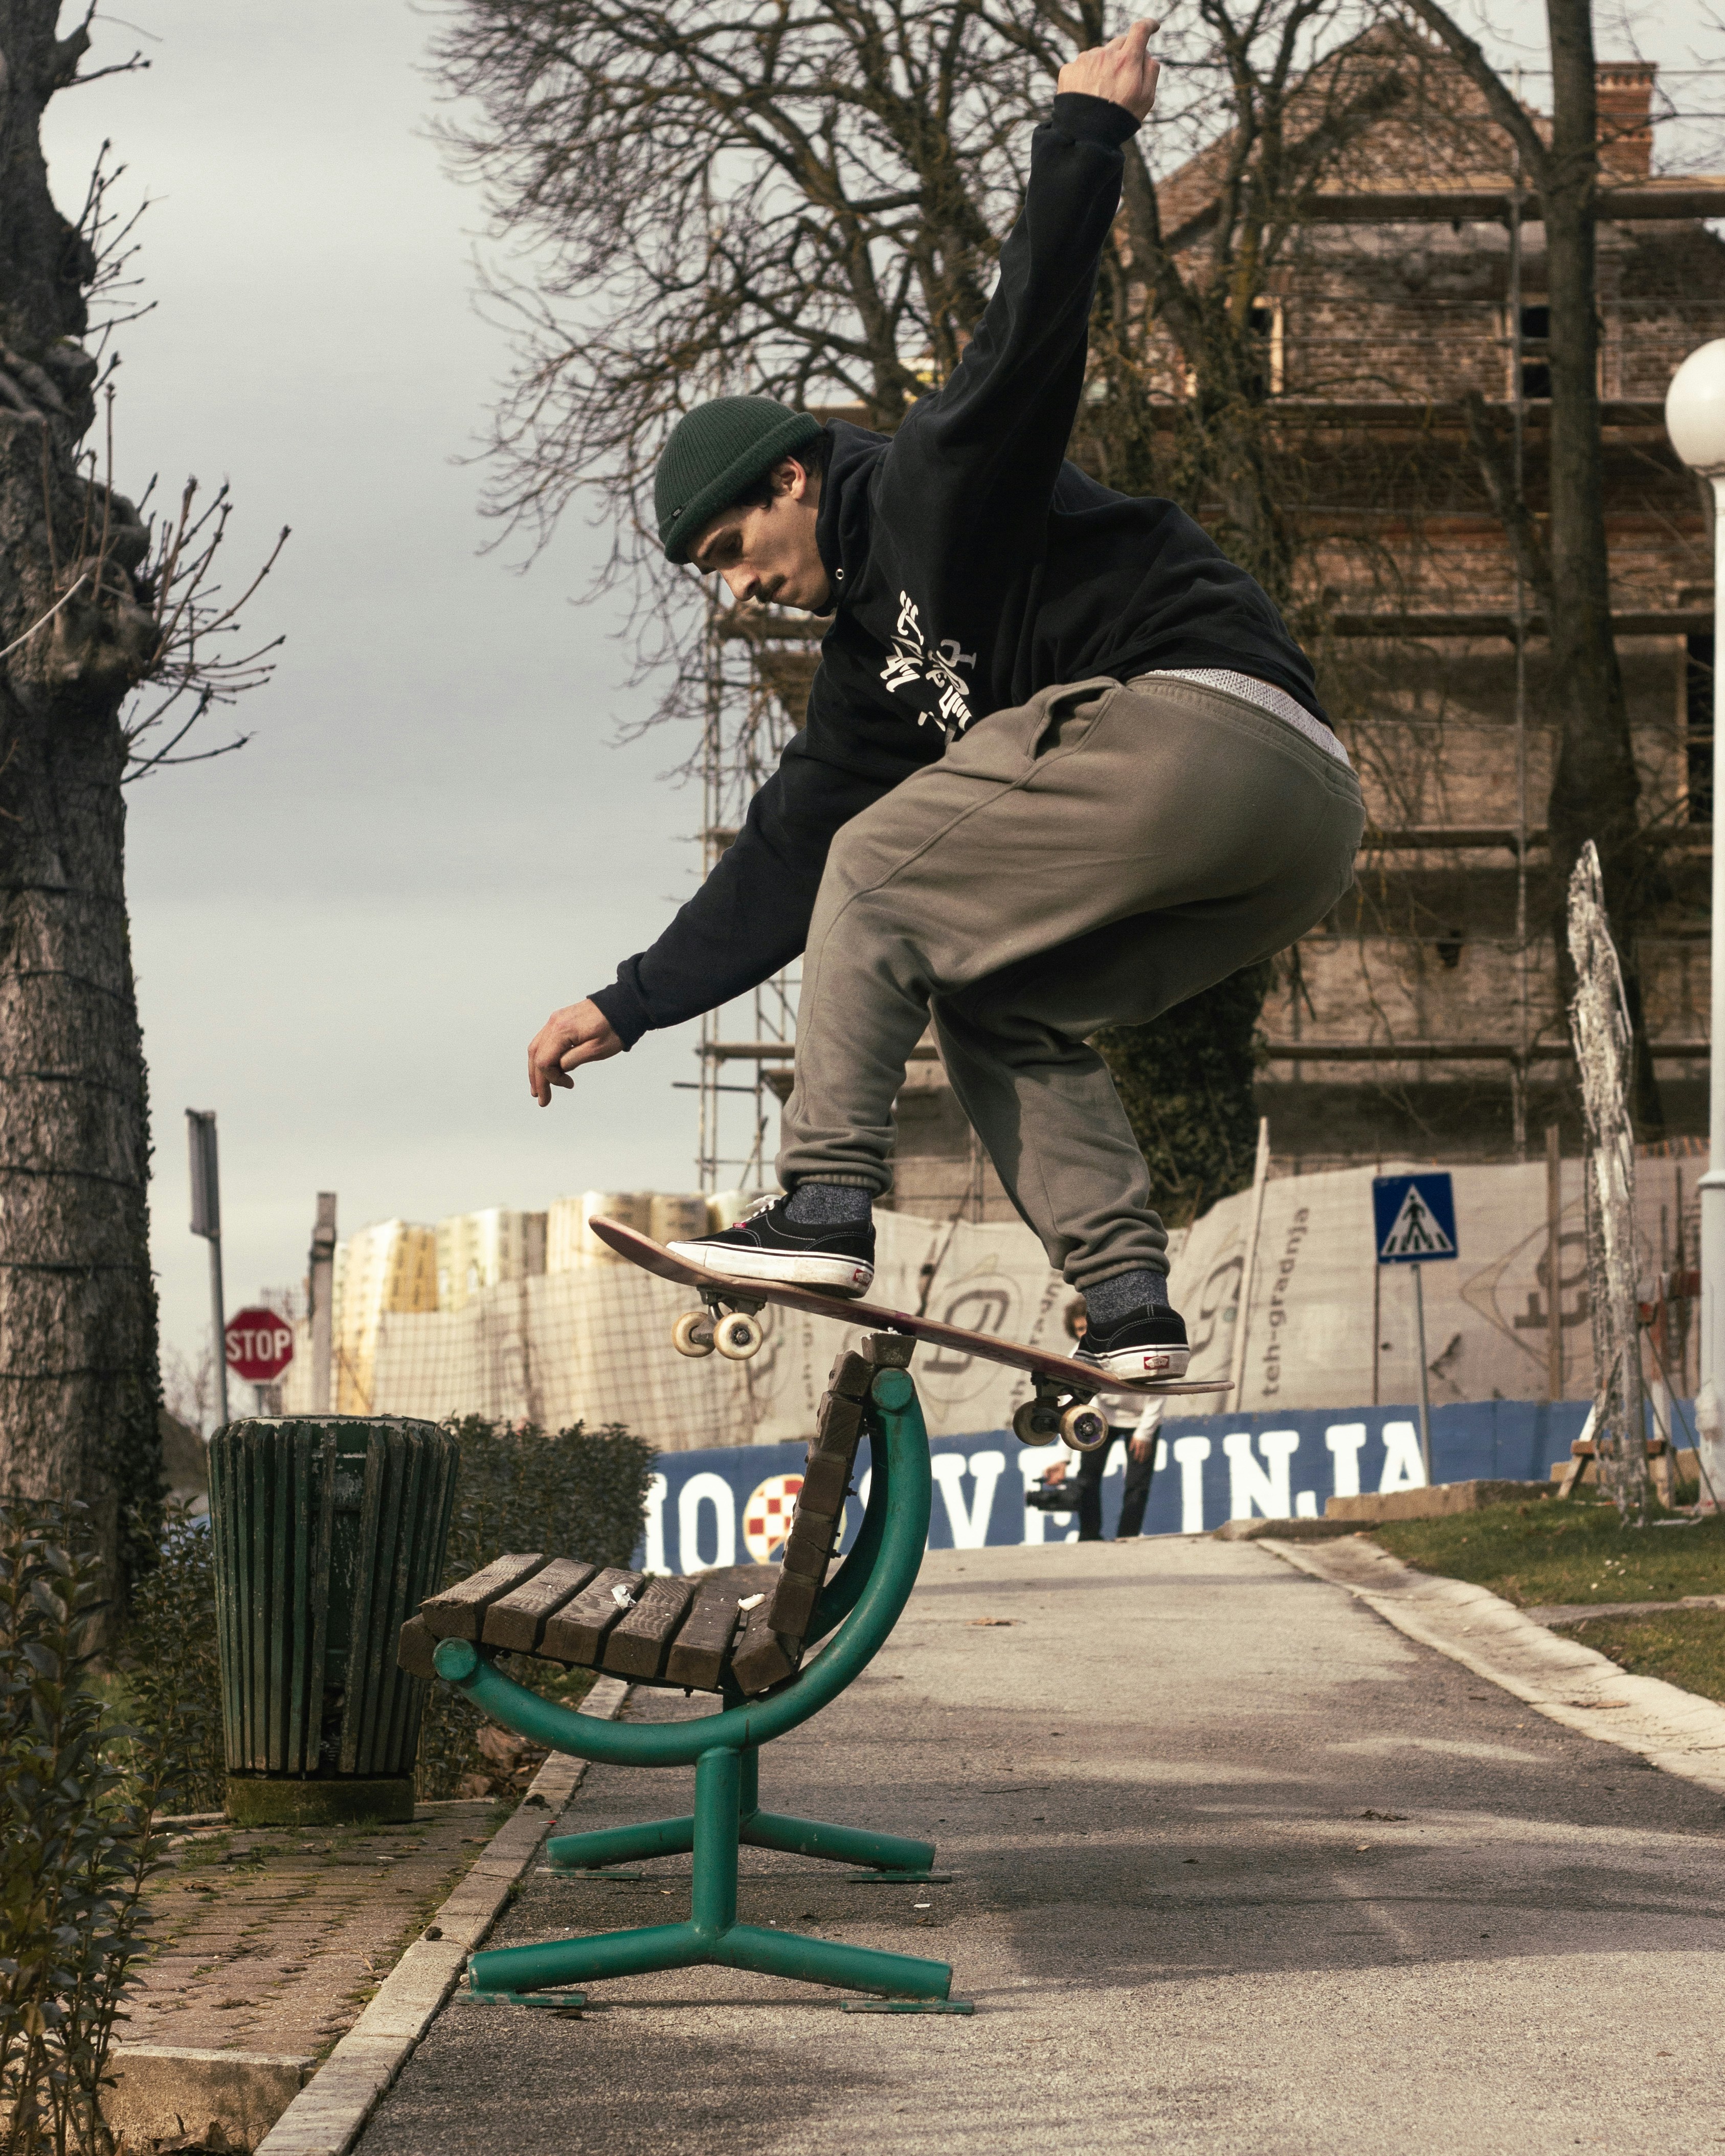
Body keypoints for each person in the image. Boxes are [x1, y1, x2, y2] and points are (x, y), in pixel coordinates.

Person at [526, 19, 1363, 1386]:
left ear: (791, 479)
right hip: (1296, 835)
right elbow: (781, 859)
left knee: (882, 871)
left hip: (1199, 722)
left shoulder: (927, 481)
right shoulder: (873, 677)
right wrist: (628, 1003)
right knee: (994, 997)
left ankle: (824, 1205)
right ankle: (1127, 1296)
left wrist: (1083, 134)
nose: (738, 594)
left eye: (732, 555)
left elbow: (1029, 337)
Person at [1032, 1299, 1162, 1538]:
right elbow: (1073, 1410)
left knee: (1137, 1485)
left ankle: (1128, 1537)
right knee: (1087, 1479)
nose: (1085, 1335)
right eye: (1080, 1330)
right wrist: (1063, 1459)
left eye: (1089, 1328)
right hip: (1103, 1417)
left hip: (1141, 1419)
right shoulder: (1078, 1356)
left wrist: (1145, 1433)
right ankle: (1089, 1536)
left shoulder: (1132, 1345)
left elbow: (1159, 1388)